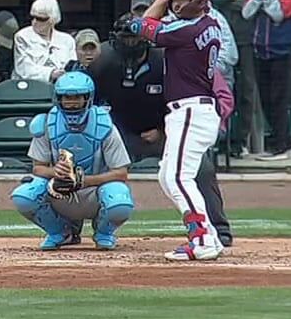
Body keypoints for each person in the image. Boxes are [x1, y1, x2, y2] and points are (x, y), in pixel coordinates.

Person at [93, 13, 234, 246]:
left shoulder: (166, 61)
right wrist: (109, 133)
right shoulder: (103, 61)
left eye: (135, 37)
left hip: (167, 131)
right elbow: (92, 104)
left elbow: (184, 96)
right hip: (121, 135)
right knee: (90, 160)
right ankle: (84, 228)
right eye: (126, 37)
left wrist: (162, 130)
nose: (131, 42)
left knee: (202, 168)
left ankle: (218, 230)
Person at [123, 0, 227, 261]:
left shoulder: (188, 31)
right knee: (168, 176)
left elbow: (141, 25)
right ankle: (210, 237)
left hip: (192, 110)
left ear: (197, 1)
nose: (176, 4)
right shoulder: (209, 25)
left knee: (177, 177)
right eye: (175, 0)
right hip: (192, 111)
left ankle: (202, 240)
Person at [10, 71, 134, 250]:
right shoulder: (46, 124)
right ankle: (61, 231)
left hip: (95, 189)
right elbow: (38, 168)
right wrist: (57, 173)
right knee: (24, 195)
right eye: (66, 98)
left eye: (77, 97)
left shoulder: (105, 126)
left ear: (87, 98)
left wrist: (85, 181)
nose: (72, 103)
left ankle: (103, 232)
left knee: (119, 201)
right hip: (60, 189)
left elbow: (121, 172)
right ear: (58, 98)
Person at [208, 0, 264, 155]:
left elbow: (248, 2)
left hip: (246, 35)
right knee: (218, 88)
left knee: (247, 90)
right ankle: (220, 139)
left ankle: (241, 142)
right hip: (221, 36)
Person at [241, 0, 291, 160]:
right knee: (265, 100)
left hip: (280, 51)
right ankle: (281, 142)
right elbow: (246, 12)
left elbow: (278, 15)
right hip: (260, 50)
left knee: (278, 100)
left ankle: (282, 145)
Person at [13, 0, 76, 83]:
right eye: (33, 17)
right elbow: (24, 68)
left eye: (40, 19)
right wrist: (50, 73)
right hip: (29, 88)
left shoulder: (67, 40)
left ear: (52, 20)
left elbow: (72, 68)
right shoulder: (22, 36)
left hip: (60, 87)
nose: (34, 22)